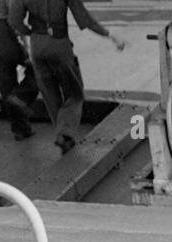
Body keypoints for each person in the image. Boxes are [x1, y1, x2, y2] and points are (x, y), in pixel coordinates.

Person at [8, 0, 125, 154]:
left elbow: (14, 20)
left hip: (37, 45)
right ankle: (64, 134)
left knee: (50, 94)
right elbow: (84, 18)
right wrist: (109, 35)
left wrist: (30, 32)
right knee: (75, 92)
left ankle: (63, 136)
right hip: (59, 43)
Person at [0, 0, 39, 142]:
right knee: (40, 69)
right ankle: (22, 96)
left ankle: (20, 130)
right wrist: (27, 48)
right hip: (7, 36)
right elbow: (14, 18)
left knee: (6, 86)